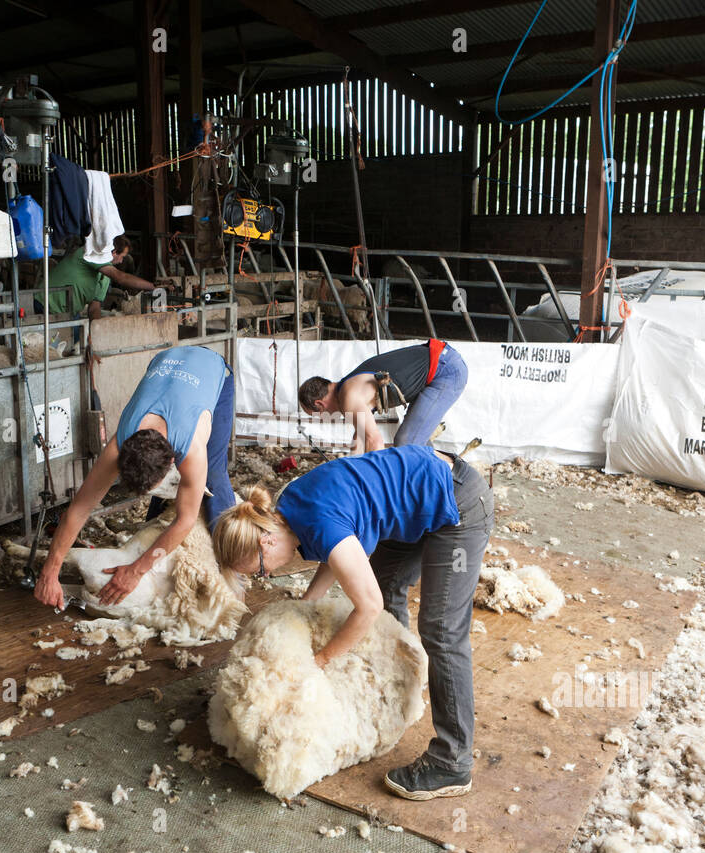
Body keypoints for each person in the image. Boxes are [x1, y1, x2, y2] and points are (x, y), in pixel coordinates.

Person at [211, 445, 493, 800]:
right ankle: (394, 696)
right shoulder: (289, 509)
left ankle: (452, 762)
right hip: (420, 496)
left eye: (262, 570)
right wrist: (307, 605)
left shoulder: (317, 521)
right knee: (387, 587)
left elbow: (368, 607)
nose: (268, 576)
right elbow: (338, 552)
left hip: (459, 504)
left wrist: (322, 661)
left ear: (266, 540)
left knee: (441, 629)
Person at [32, 344, 237, 609]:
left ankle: (233, 564)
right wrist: (50, 571)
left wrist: (136, 571)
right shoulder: (117, 446)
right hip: (168, 362)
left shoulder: (192, 448)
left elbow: (185, 521)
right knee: (168, 512)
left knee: (215, 477)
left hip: (213, 373)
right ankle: (154, 541)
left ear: (173, 461)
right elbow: (79, 509)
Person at [297, 339, 468, 455]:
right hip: (441, 363)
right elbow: (361, 438)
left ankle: (456, 480)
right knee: (415, 441)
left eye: (318, 416)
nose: (325, 420)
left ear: (320, 404)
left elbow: (375, 441)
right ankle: (447, 479)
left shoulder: (348, 396)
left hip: (444, 370)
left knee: (406, 443)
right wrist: (349, 465)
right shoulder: (347, 388)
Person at [36, 235, 155, 321]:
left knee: (79, 342)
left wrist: (95, 335)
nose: (121, 261)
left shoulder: (105, 277)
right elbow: (121, 278)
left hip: (68, 311)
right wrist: (153, 287)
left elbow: (94, 307)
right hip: (47, 303)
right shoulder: (91, 253)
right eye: (122, 256)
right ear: (113, 252)